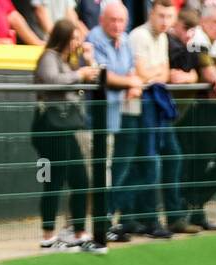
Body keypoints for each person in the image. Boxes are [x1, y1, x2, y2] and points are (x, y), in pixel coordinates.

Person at [32, 18, 103, 253]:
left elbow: (79, 84)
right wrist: (79, 74)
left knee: (81, 179)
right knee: (54, 180)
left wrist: (88, 66)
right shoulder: (48, 57)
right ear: (63, 37)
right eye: (74, 38)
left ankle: (79, 232)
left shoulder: (69, 59)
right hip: (49, 126)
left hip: (66, 126)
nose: (77, 42)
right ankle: (48, 236)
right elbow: (52, 81)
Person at [130, 0, 196, 236]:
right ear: (151, 13)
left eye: (169, 17)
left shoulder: (164, 38)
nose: (165, 21)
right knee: (149, 161)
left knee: (172, 156)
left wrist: (156, 72)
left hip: (158, 102)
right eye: (161, 16)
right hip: (144, 104)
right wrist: (157, 73)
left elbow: (164, 73)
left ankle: (172, 216)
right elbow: (143, 74)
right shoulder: (139, 36)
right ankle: (148, 219)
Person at [86, 1, 145, 242]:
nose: (118, 25)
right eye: (113, 20)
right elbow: (103, 75)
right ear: (102, 20)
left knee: (110, 172)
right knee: (94, 174)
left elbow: (132, 71)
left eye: (122, 21)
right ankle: (89, 228)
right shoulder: (95, 37)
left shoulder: (126, 39)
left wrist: (132, 81)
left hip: (116, 116)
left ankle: (104, 224)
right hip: (94, 118)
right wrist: (131, 83)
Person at [180, 3, 216, 229]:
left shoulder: (214, 43)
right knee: (198, 162)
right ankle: (193, 210)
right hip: (198, 110)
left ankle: (195, 202)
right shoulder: (197, 41)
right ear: (204, 22)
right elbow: (210, 74)